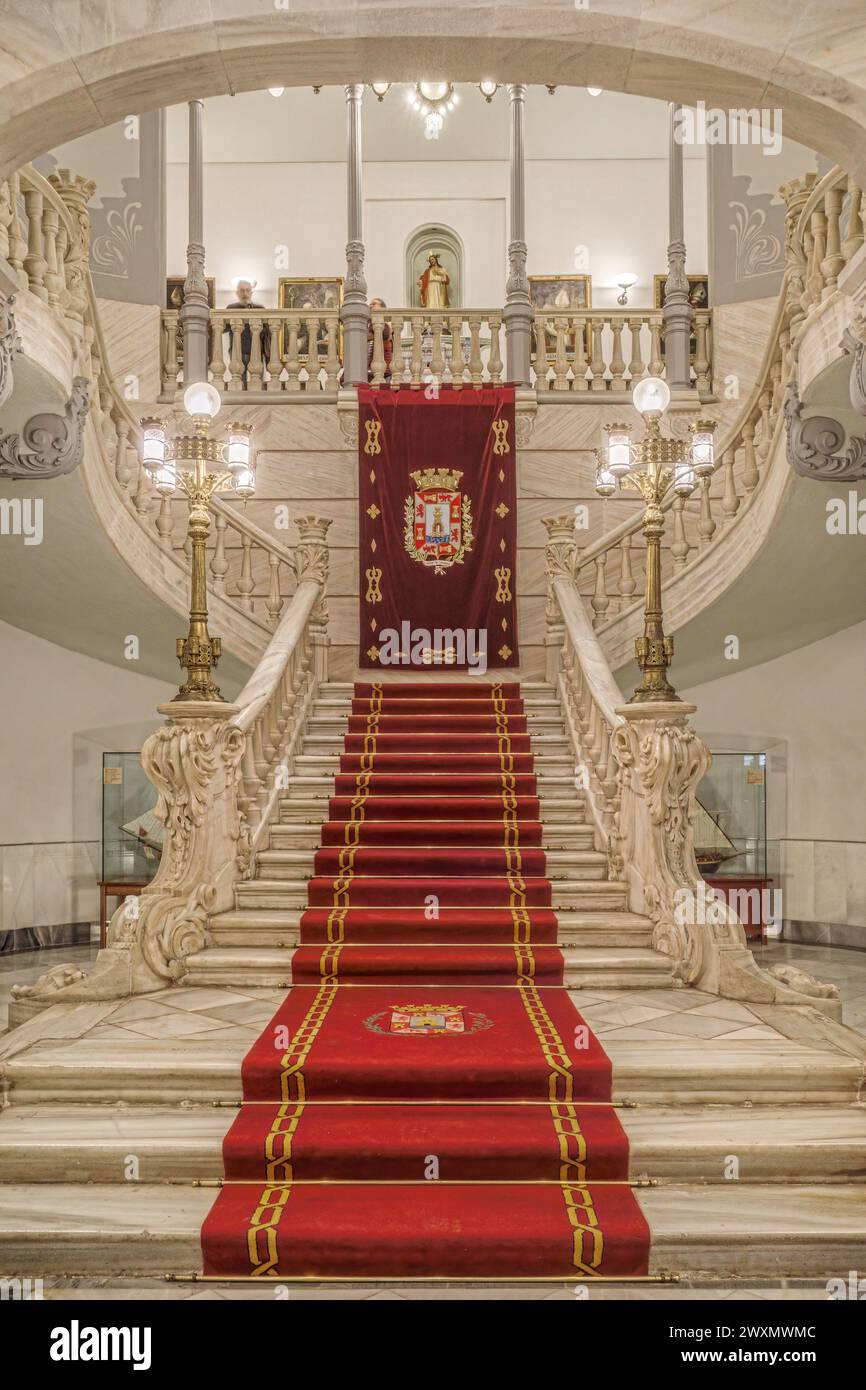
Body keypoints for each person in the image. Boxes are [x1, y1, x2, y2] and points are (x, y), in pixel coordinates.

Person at [225, 279, 270, 385]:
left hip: (257, 350)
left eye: (247, 290)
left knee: (258, 383)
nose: (245, 293)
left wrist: (268, 358)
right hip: (238, 351)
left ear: (251, 292)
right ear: (237, 293)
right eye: (242, 290)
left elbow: (267, 335)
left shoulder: (260, 309)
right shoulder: (231, 308)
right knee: (239, 383)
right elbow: (223, 329)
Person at [368, 297, 394, 380]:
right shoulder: (370, 324)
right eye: (370, 304)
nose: (370, 305)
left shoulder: (387, 324)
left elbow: (385, 335)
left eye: (374, 303)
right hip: (373, 366)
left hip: (386, 367)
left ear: (382, 308)